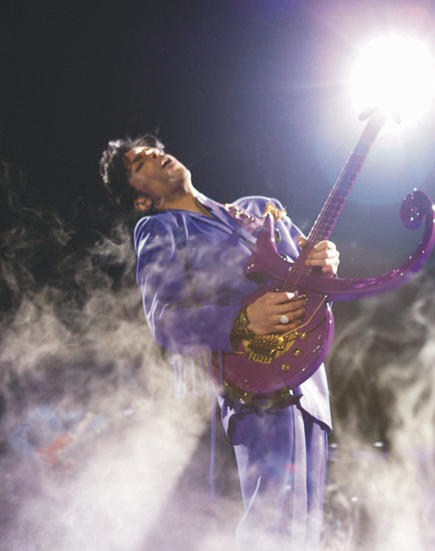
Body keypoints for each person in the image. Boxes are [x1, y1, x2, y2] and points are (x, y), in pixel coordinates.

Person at [99, 134, 337, 550]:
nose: (156, 154)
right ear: (141, 199)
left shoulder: (256, 208)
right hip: (253, 388)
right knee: (273, 529)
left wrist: (325, 261)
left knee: (307, 533)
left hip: (310, 384)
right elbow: (165, 322)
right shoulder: (159, 227)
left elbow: (308, 274)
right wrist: (244, 320)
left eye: (153, 149)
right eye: (140, 165)